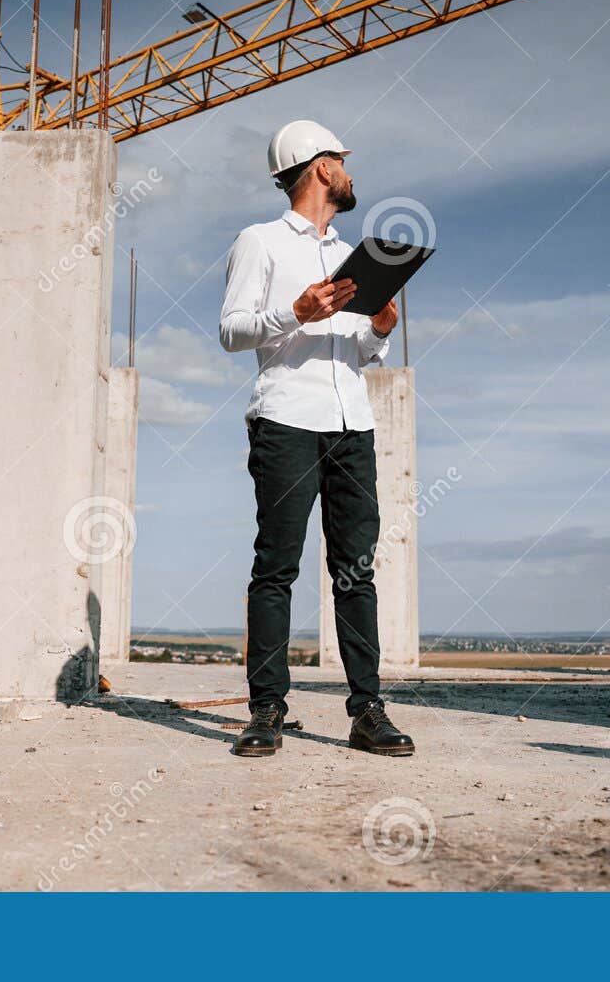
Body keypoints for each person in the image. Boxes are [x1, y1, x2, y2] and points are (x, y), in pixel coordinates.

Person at [217, 119, 415, 759]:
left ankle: (367, 712)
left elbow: (360, 350)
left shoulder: (348, 253)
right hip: (285, 422)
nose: (350, 171)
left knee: (356, 572)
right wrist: (294, 313)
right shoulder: (261, 241)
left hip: (351, 424)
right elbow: (231, 331)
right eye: (341, 160)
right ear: (319, 168)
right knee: (276, 568)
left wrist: (379, 328)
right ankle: (267, 711)